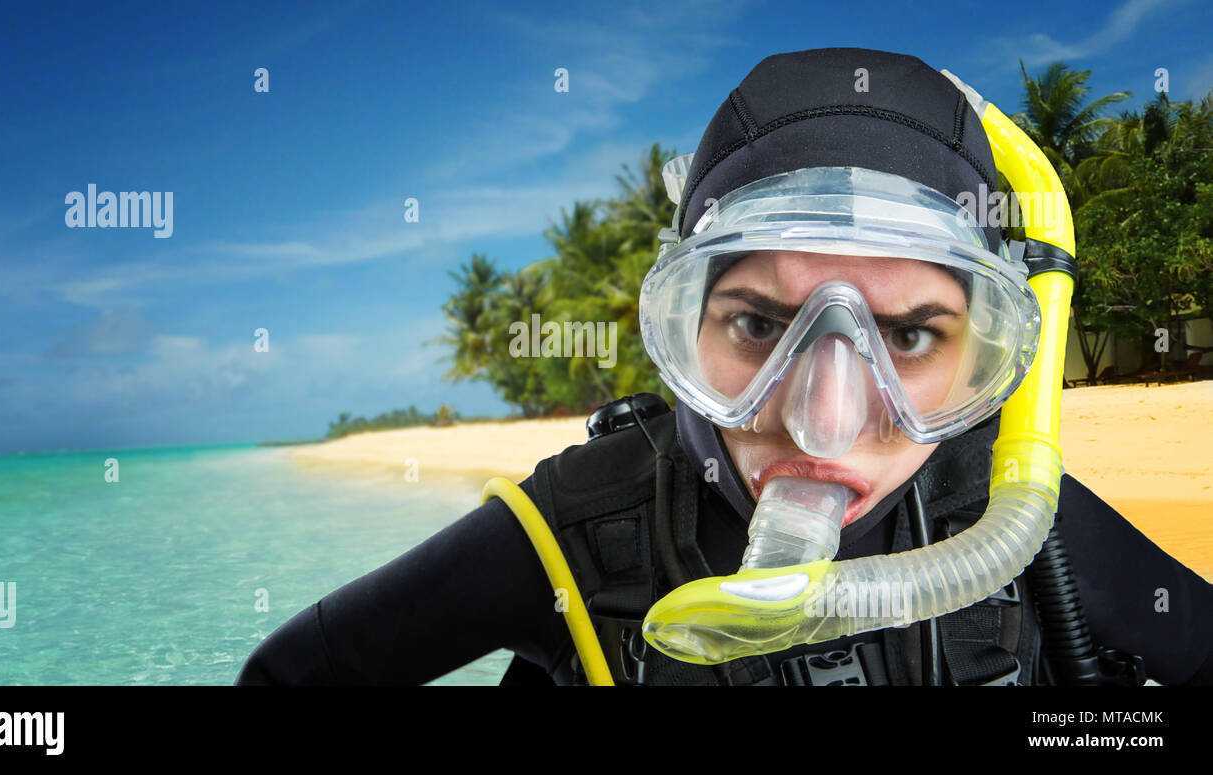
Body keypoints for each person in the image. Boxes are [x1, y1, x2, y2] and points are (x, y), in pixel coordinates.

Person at [235, 48, 1213, 686]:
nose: (824, 418)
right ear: (681, 325)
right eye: (758, 324)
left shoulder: (1019, 522)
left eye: (909, 336)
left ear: (992, 354)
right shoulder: (572, 536)